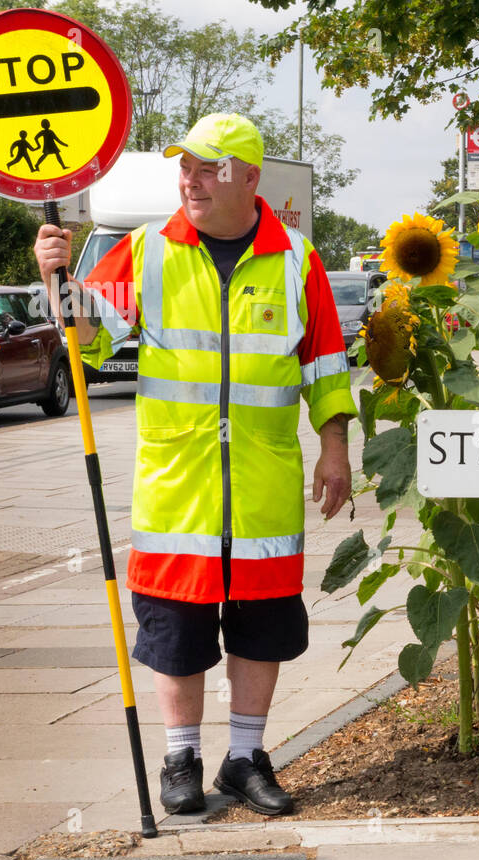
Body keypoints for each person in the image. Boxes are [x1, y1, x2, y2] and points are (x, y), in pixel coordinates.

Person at [33, 113, 355, 816]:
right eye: (187, 167)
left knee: (261, 625)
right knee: (175, 629)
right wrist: (55, 279)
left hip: (264, 492)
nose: (191, 180)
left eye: (209, 168)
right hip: (177, 494)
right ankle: (182, 756)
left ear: (249, 177)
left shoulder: (298, 260)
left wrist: (335, 445)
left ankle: (245, 758)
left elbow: (327, 367)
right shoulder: (149, 250)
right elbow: (83, 335)